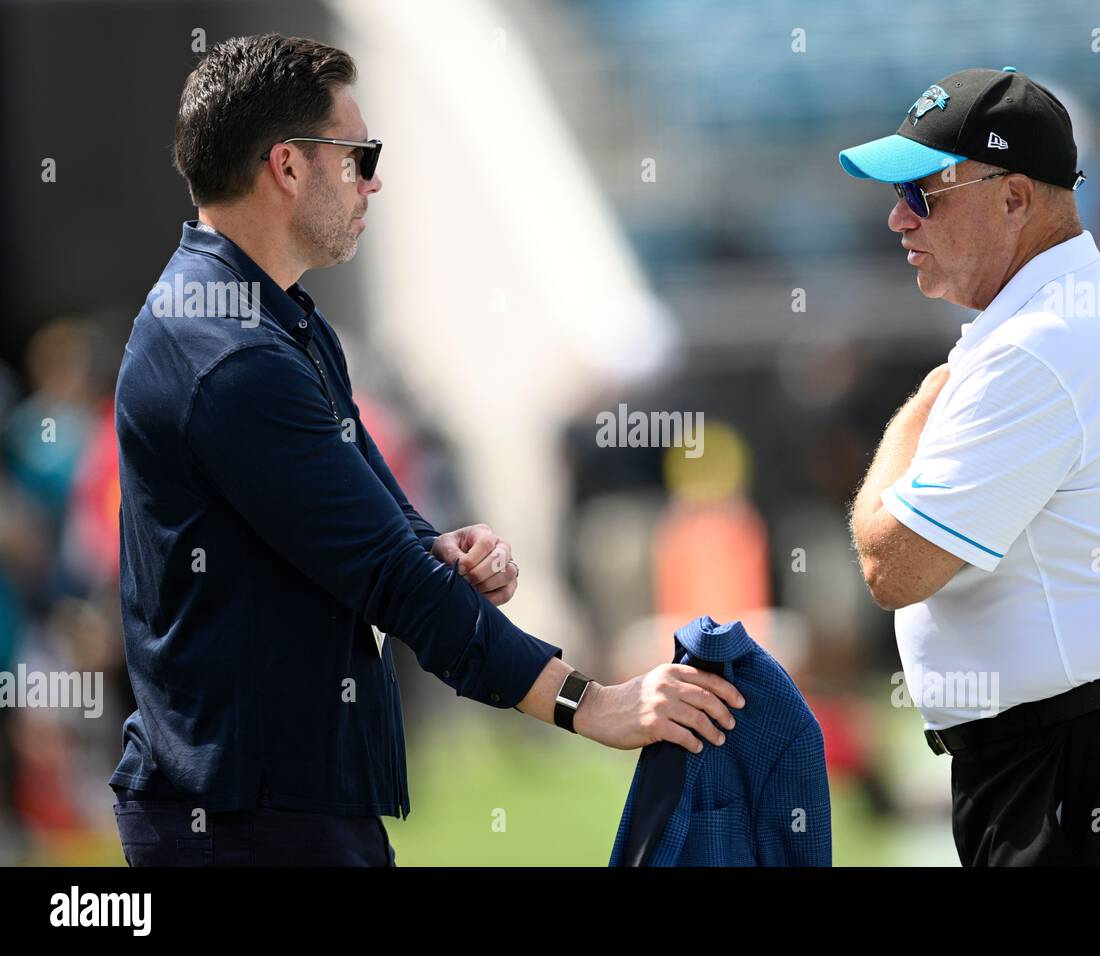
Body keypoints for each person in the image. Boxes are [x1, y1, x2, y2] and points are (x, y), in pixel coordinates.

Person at [111, 33, 742, 866]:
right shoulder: (232, 351)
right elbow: (390, 579)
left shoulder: (274, 317)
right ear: (289, 167)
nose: (373, 179)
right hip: (241, 819)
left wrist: (439, 548)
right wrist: (586, 702)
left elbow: (386, 531)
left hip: (270, 799)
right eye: (358, 153)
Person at [840, 67, 1100, 865]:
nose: (899, 217)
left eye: (924, 190)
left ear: (1013, 197)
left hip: (1092, 755)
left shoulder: (1039, 347)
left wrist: (923, 402)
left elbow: (892, 563)